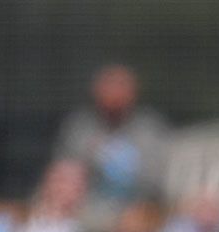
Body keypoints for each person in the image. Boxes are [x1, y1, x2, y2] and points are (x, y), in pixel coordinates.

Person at [54, 65, 168, 206]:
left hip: (140, 210)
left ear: (134, 92)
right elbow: (64, 177)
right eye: (109, 86)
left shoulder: (150, 128)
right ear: (96, 91)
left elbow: (158, 181)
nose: (115, 94)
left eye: (121, 86)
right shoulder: (80, 128)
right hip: (86, 210)